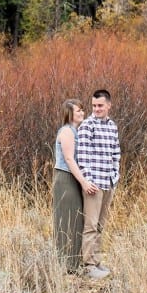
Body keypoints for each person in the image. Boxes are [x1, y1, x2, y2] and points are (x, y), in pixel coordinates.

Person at [76, 89, 120, 279]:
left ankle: (97, 260)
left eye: (100, 105)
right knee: (91, 224)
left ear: (109, 105)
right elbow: (83, 155)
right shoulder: (87, 125)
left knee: (101, 224)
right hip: (93, 184)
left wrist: (115, 176)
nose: (97, 109)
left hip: (108, 181)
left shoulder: (112, 126)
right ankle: (88, 265)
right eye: (94, 106)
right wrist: (86, 181)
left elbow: (116, 152)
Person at [53, 98, 97, 274]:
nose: (82, 113)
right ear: (69, 113)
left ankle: (74, 263)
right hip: (66, 179)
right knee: (67, 220)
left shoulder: (76, 131)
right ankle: (66, 265)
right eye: (78, 110)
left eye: (82, 110)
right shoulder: (67, 132)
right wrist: (84, 182)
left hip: (74, 179)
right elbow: (70, 160)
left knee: (76, 219)